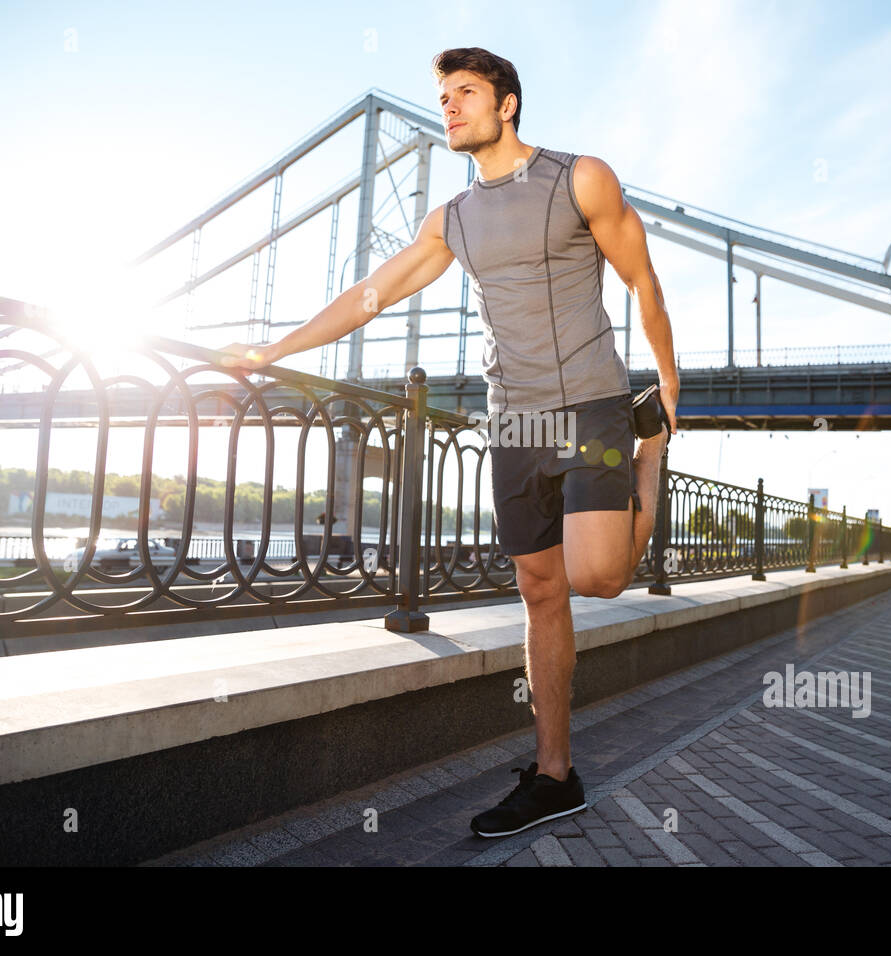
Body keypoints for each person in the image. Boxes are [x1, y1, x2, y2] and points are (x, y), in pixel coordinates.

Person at [221, 46, 679, 839]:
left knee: (599, 576)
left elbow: (642, 280)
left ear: (507, 104)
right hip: (514, 421)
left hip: (596, 408)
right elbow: (373, 295)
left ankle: (653, 456)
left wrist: (669, 391)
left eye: (465, 92)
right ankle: (554, 774)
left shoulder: (582, 178)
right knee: (541, 593)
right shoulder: (453, 220)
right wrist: (273, 352)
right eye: (441, 98)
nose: (449, 107)